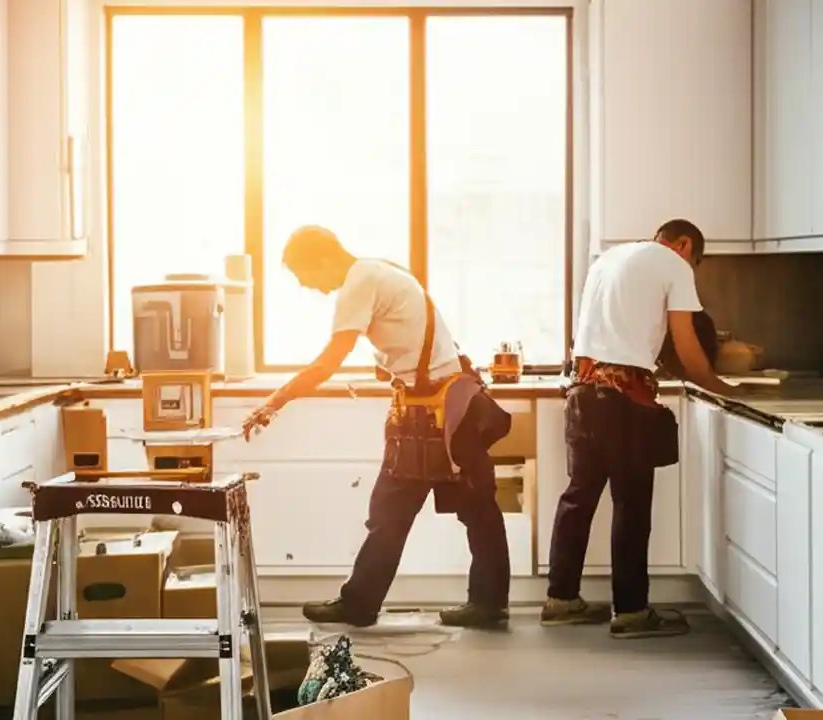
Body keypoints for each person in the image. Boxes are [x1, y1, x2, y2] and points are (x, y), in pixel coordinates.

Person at [242, 225, 513, 629]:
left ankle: (371, 604)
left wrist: (274, 401)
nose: (308, 287)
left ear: (322, 259)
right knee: (421, 511)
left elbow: (329, 361)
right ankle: (472, 603)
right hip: (442, 409)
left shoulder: (359, 281)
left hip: (440, 417)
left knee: (449, 510)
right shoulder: (380, 270)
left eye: (304, 276)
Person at [542, 219, 740, 639]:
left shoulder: (609, 258)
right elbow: (685, 341)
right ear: (684, 245)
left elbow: (620, 331)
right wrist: (720, 386)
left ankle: (561, 600)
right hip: (622, 402)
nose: (692, 270)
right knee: (631, 506)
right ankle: (631, 611)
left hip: (581, 392)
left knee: (578, 498)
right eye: (696, 261)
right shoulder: (674, 264)